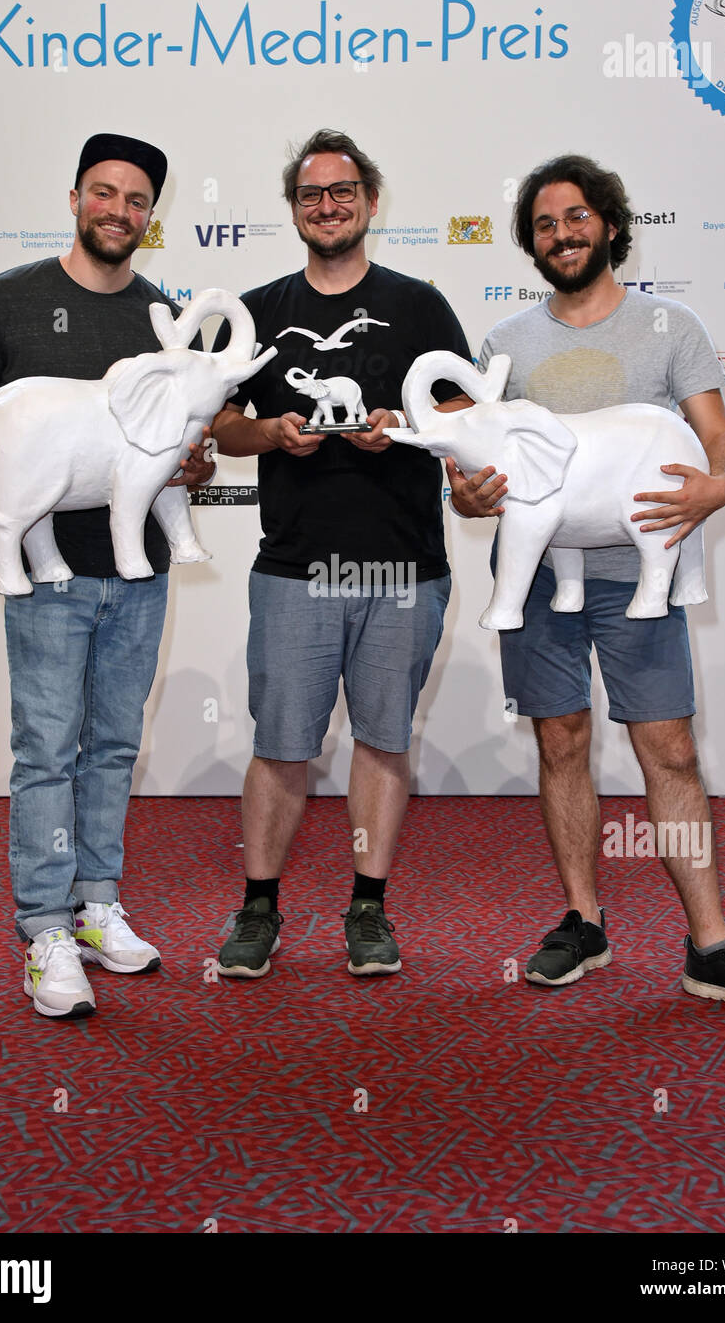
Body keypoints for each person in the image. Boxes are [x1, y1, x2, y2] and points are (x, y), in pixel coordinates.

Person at [451, 153, 725, 1016]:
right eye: (542, 224)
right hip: (537, 581)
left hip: (636, 574)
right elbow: (472, 477)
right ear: (529, 242)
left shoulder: (670, 327)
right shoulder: (502, 347)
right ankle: (581, 920)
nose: (560, 235)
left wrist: (720, 483)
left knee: (670, 751)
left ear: (609, 226)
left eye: (575, 218)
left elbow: (719, 442)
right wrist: (464, 496)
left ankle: (712, 945)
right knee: (560, 743)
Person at [0, 133, 215, 1018]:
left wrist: (196, 466)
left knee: (114, 745)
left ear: (150, 217)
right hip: (48, 576)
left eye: (136, 202)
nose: (119, 212)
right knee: (47, 748)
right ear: (74, 197)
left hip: (138, 571)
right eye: (105, 193)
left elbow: (185, 450)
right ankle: (44, 923)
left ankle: (99, 903)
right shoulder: (8, 299)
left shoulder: (167, 322)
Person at [210, 128, 472, 979]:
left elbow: (465, 415)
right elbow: (220, 426)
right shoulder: (257, 312)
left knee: (383, 741)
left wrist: (404, 429)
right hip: (294, 566)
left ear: (368, 200)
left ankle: (367, 908)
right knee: (282, 745)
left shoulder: (420, 304)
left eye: (343, 191)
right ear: (293, 208)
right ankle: (259, 910)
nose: (328, 206)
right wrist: (271, 433)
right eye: (312, 194)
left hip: (403, 564)